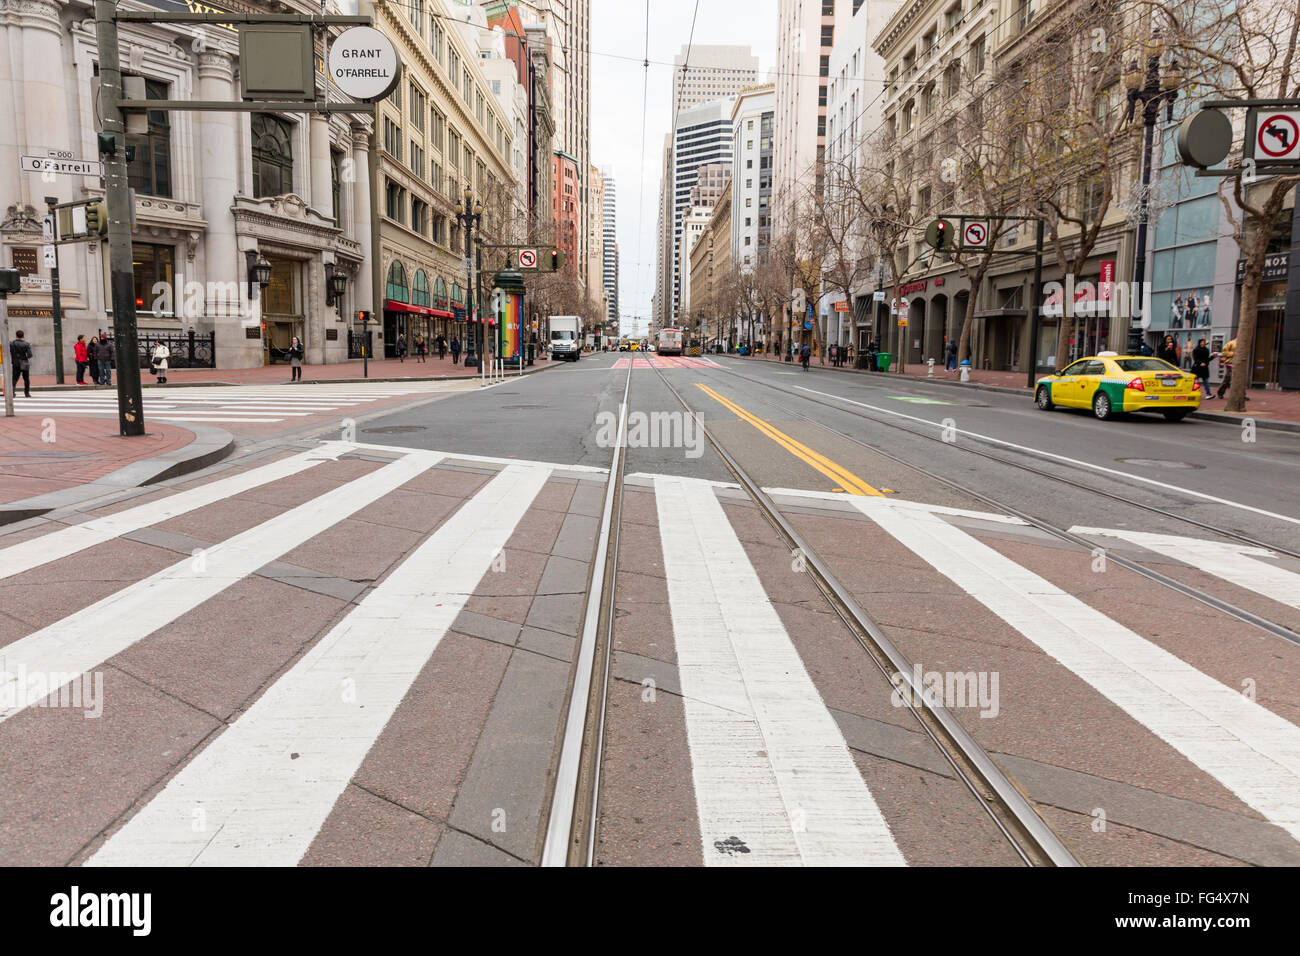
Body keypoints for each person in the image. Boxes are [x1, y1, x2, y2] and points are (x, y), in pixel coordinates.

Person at [8, 330, 32, 398]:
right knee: (26, 378)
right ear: (23, 336)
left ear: (16, 335)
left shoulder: (11, 344)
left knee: (14, 378)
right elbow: (30, 355)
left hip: (15, 363)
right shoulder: (26, 344)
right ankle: (27, 393)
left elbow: (8, 351)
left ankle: (12, 392)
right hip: (24, 362)